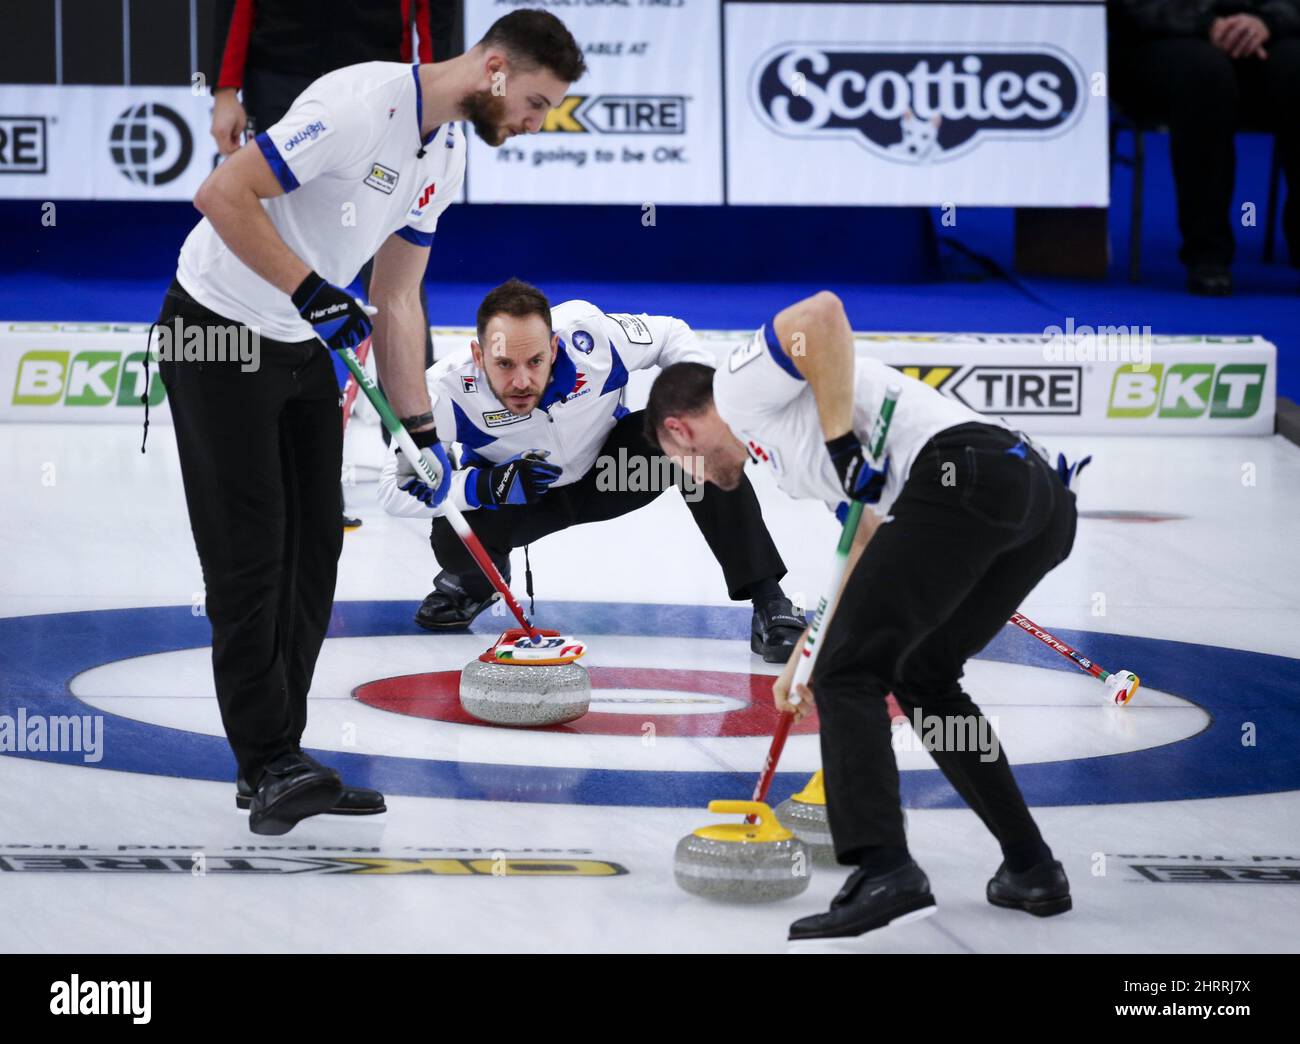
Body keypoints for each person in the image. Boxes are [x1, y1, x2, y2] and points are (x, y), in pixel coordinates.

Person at [155, 11, 585, 835]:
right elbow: (221, 193)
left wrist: (418, 431)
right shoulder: (359, 102)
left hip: (300, 343)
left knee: (315, 549)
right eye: (533, 102)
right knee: (252, 555)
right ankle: (269, 761)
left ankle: (281, 759)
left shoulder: (447, 151)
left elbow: (394, 297)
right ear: (495, 69)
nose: (534, 123)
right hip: (216, 330)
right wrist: (308, 286)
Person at [644, 291, 1080, 942]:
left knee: (851, 675)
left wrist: (843, 440)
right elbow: (870, 542)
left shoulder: (736, 394)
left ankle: (885, 869)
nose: (695, 479)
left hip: (966, 474)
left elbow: (821, 314)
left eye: (681, 467)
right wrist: (805, 653)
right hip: (1037, 500)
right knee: (924, 677)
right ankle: (1032, 867)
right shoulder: (788, 462)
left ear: (677, 431)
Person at [379, 279, 806, 661]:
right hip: (522, 498)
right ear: (478, 354)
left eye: (535, 362)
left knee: (696, 444)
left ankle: (769, 602)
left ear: (555, 348)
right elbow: (392, 489)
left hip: (613, 474)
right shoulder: (446, 390)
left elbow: (670, 334)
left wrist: (697, 401)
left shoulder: (592, 338)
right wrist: (484, 486)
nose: (522, 381)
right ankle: (478, 583)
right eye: (504, 365)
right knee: (453, 537)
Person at [210, 0, 460, 526]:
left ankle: (416, 453)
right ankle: (312, 470)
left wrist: (443, 100)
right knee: (290, 262)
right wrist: (225, 89)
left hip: (383, 83)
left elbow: (432, 13)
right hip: (281, 77)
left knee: (399, 285)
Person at [1110, 0, 1300, 294]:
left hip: (1265, 36)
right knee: (1205, 73)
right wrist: (1206, 25)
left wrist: (1267, 22)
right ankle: (1207, 253)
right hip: (1162, 40)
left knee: (1296, 66)